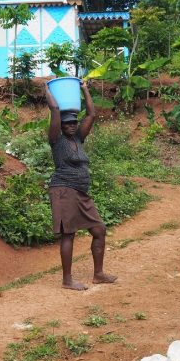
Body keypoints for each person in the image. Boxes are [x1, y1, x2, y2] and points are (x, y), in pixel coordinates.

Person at [45, 79, 117, 291]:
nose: (71, 125)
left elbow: (91, 114)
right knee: (69, 234)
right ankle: (67, 280)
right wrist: (47, 90)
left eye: (73, 123)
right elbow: (55, 109)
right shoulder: (56, 141)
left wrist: (85, 89)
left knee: (99, 229)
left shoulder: (78, 139)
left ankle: (98, 274)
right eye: (67, 123)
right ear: (61, 125)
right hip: (63, 190)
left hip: (81, 193)